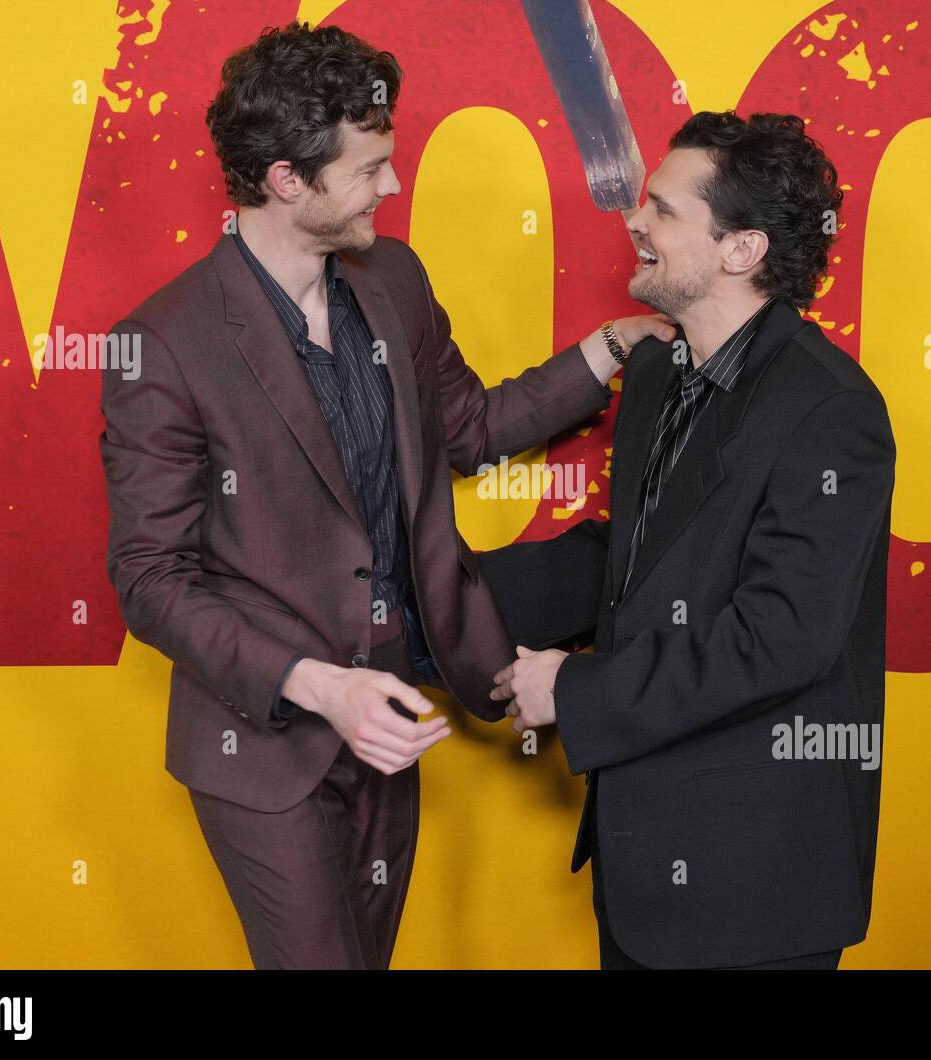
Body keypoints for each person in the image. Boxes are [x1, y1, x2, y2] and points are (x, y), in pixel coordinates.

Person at [98, 21, 673, 970]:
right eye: (370, 169)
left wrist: (605, 350)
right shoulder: (163, 342)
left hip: (392, 719)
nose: (392, 186)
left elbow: (470, 431)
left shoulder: (392, 279)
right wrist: (321, 687)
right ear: (288, 181)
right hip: (267, 742)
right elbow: (151, 580)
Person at [485, 111, 896, 969]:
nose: (634, 221)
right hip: (642, 876)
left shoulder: (831, 411)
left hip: (751, 891)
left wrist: (579, 691)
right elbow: (635, 559)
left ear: (741, 250)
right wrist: (435, 589)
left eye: (663, 210)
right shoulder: (656, 373)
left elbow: (783, 636)